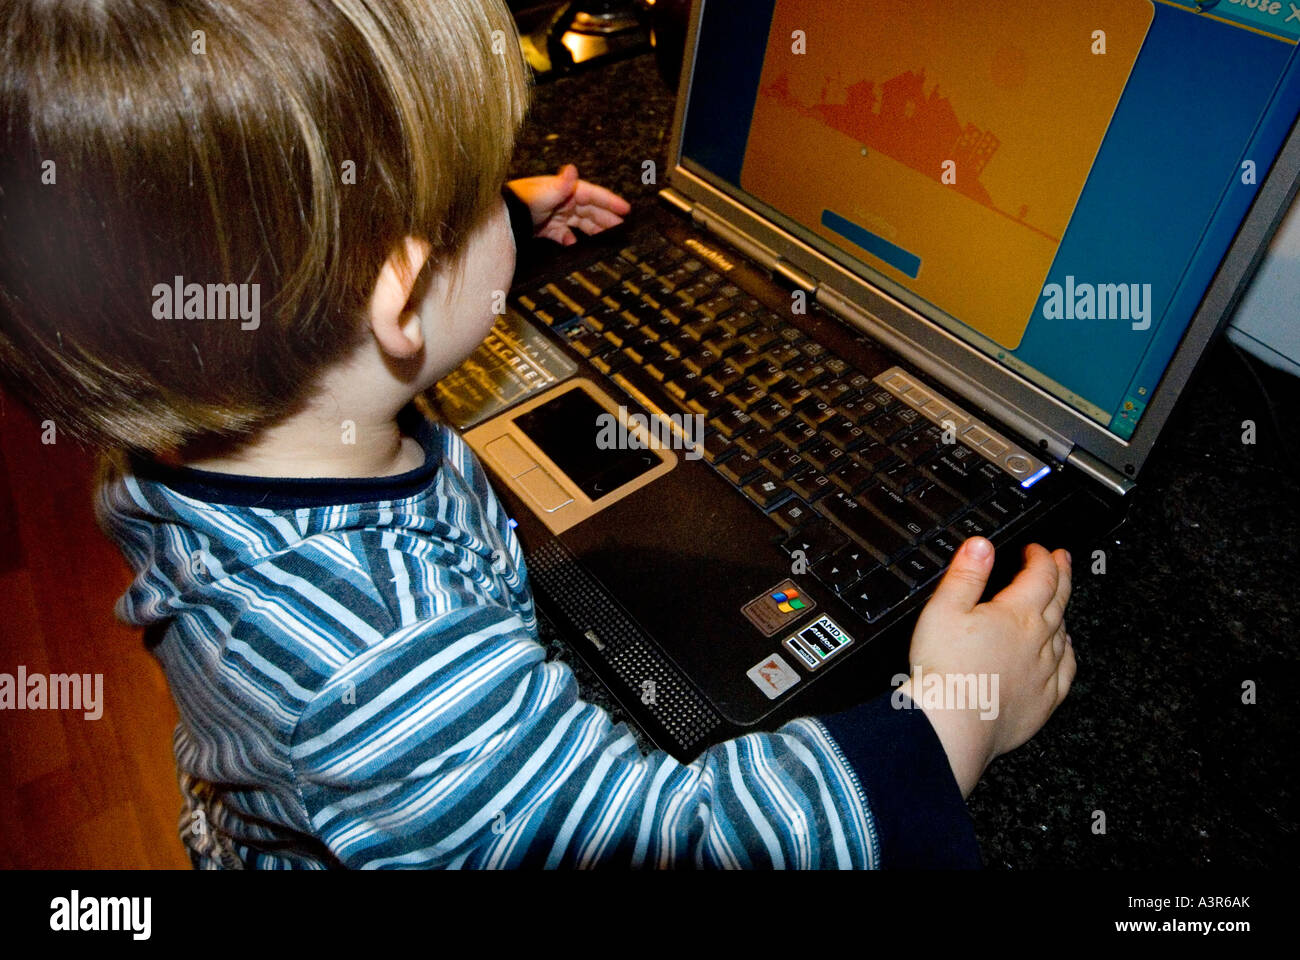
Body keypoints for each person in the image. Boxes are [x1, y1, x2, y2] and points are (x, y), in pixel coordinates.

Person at [0, 0, 1074, 869]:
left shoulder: (205, 401)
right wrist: (950, 723)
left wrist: (497, 224)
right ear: (402, 299)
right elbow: (670, 845)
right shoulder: (387, 676)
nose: (501, 189)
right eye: (471, 186)